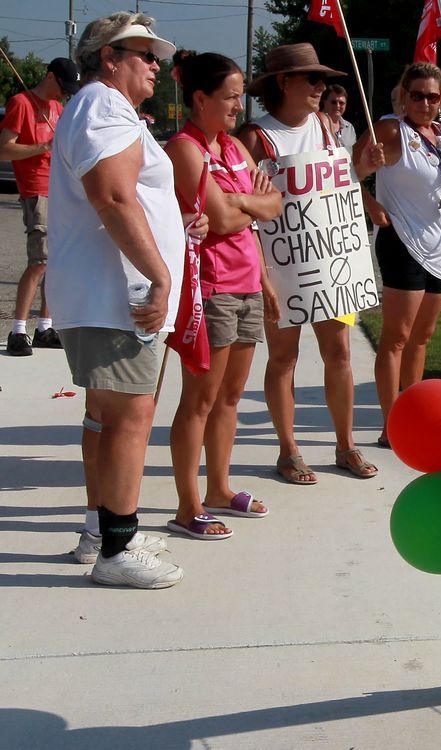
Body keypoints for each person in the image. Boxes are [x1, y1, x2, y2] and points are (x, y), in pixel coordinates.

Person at [48, 13, 192, 587]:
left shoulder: (101, 109)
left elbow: (125, 195)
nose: (156, 64)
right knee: (131, 416)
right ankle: (117, 550)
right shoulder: (104, 106)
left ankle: (104, 531)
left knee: (108, 417)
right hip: (119, 298)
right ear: (109, 58)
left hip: (105, 295)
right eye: (144, 53)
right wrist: (159, 275)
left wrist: (174, 226)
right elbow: (111, 195)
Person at [238, 43, 382, 483]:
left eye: (323, 79)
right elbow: (246, 209)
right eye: (313, 79)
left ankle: (346, 445)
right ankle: (289, 450)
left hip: (330, 262)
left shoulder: (324, 125)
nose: (322, 87)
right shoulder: (255, 137)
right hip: (282, 265)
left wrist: (362, 168)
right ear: (284, 82)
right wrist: (261, 274)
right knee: (284, 358)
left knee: (338, 352)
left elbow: (335, 183)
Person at [164, 51, 282, 539]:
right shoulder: (185, 149)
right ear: (200, 98)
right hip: (211, 289)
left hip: (248, 285)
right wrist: (245, 205)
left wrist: (241, 205)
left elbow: (272, 203)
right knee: (200, 399)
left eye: (239, 96)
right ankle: (188, 505)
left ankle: (217, 487)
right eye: (230, 97)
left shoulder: (234, 147)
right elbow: (227, 218)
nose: (239, 106)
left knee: (231, 397)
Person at [353, 62, 441, 448]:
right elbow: (345, 170)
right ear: (404, 96)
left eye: (432, 96)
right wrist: (370, 201)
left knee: (422, 339)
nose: (425, 103)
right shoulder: (391, 130)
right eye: (417, 95)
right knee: (397, 338)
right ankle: (389, 423)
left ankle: (410, 418)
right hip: (402, 243)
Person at [0, 58, 79, 357]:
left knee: (55, 263)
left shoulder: (58, 109)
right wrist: (44, 146)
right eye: (63, 86)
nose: (64, 94)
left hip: (59, 190)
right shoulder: (21, 103)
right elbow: (4, 148)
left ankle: (45, 327)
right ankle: (18, 329)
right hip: (36, 190)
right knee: (39, 260)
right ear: (49, 77)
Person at [320, 83, 356, 148]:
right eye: (333, 102)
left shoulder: (349, 128)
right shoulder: (314, 125)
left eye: (341, 103)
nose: (337, 106)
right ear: (324, 102)